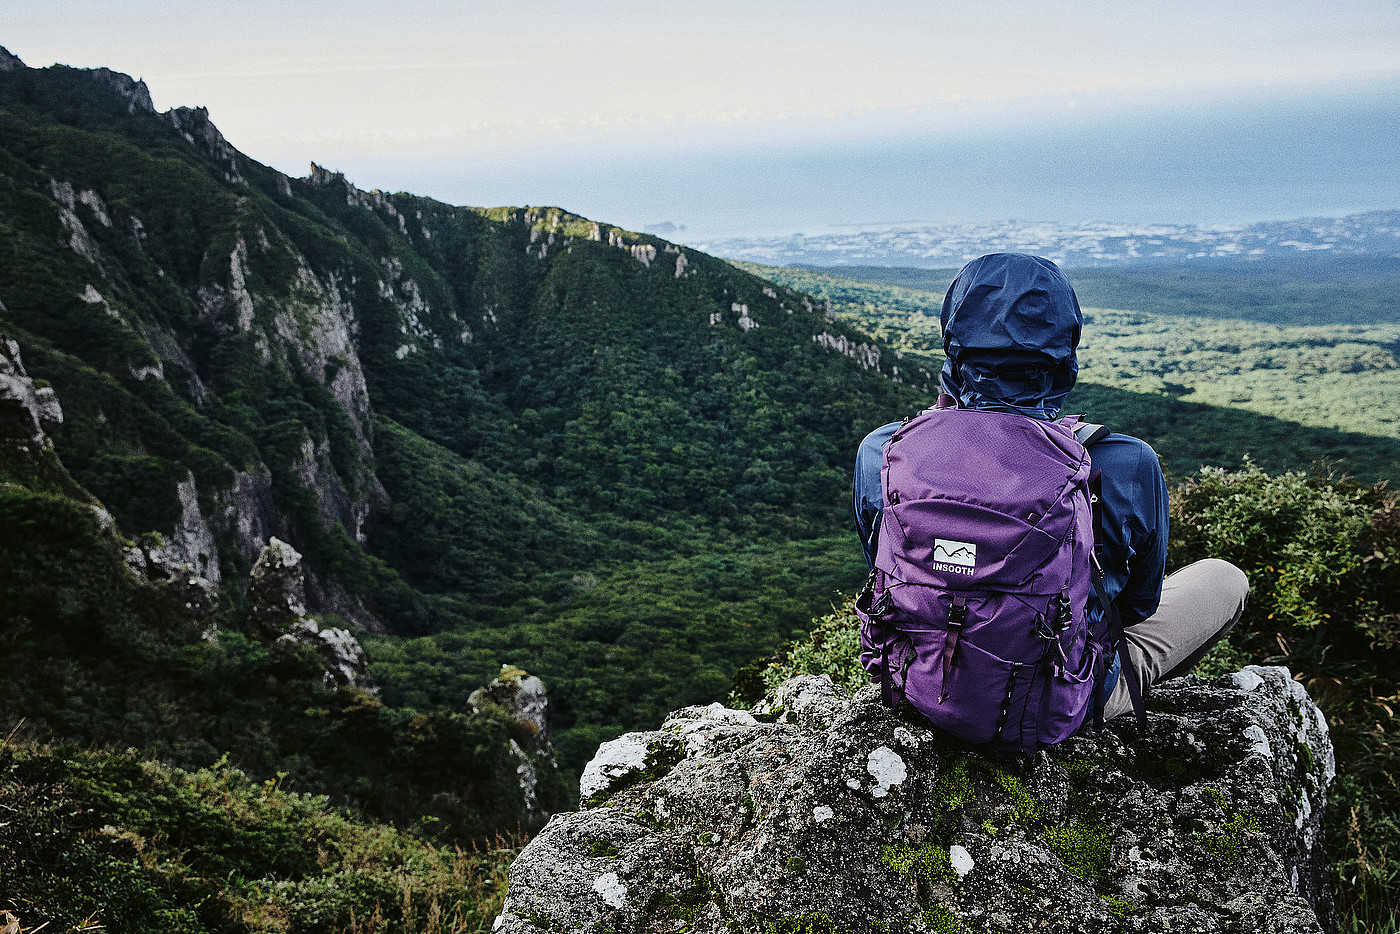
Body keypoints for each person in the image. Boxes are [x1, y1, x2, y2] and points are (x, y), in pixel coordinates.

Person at [851, 252, 1248, 720]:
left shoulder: (885, 452)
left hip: (916, 689)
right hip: (1050, 707)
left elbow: (890, 573)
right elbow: (1139, 606)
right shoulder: (1122, 462)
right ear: (1065, 357)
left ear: (953, 348)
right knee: (1226, 578)